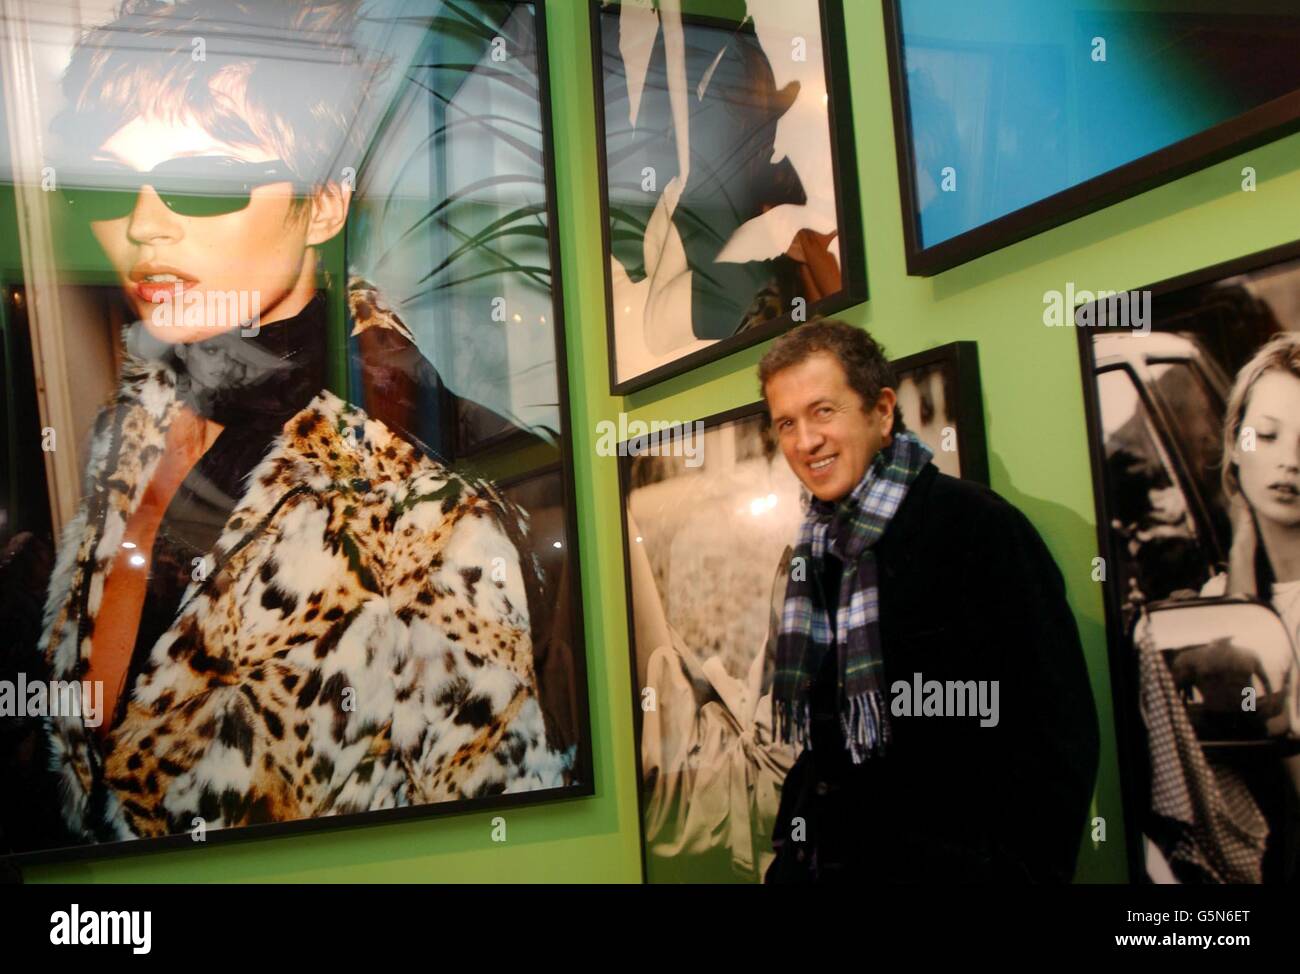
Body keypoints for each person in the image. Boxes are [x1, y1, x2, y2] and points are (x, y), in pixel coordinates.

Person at [27, 0, 569, 846]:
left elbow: (495, 834)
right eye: (108, 181)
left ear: (323, 204)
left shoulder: (419, 498)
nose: (141, 224)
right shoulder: (126, 428)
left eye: (202, 178)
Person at [759, 318, 1099, 883]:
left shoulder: (978, 529)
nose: (805, 441)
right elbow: (825, 748)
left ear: (883, 410)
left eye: (823, 411)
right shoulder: (814, 550)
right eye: (786, 423)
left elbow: (1057, 737)